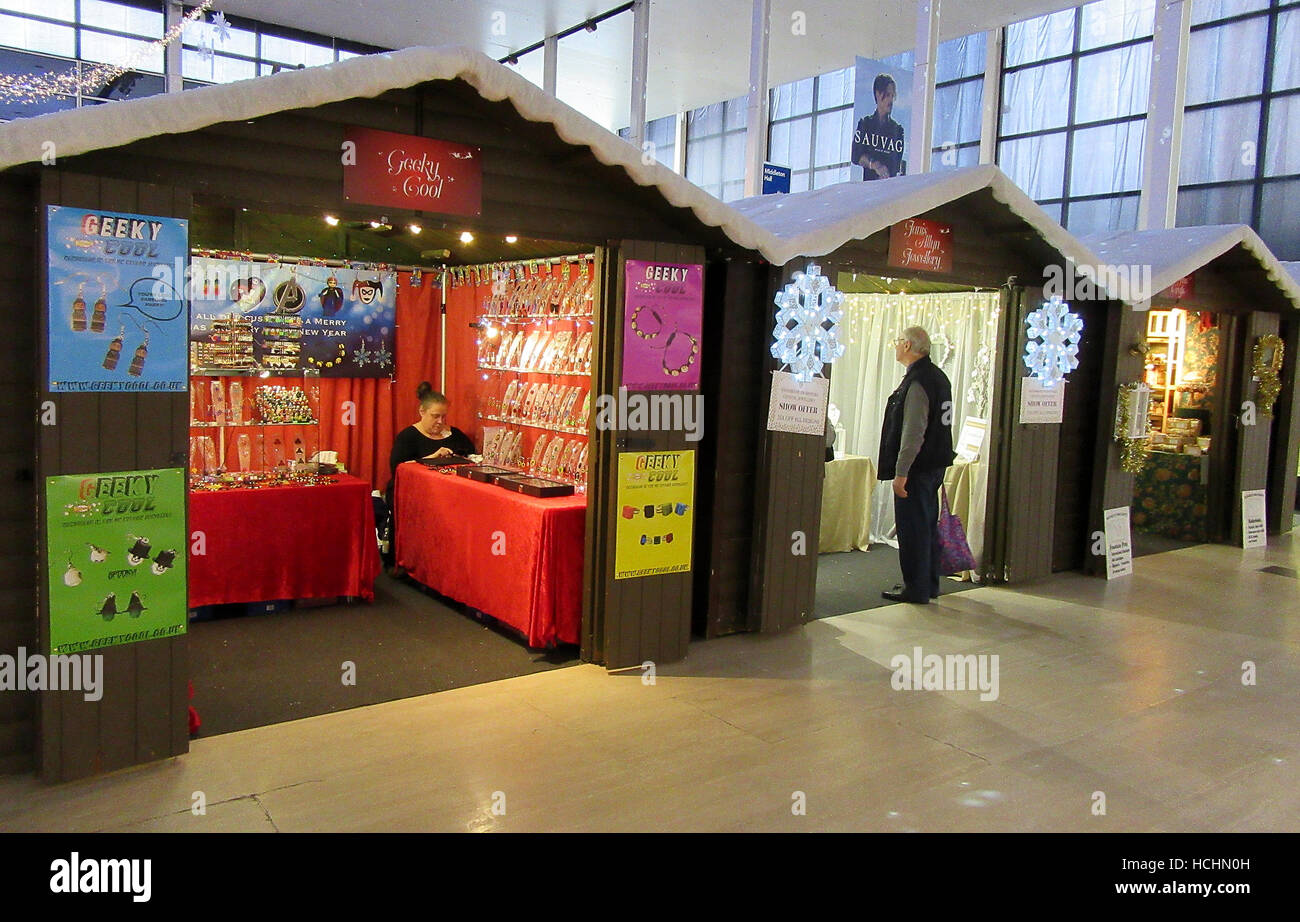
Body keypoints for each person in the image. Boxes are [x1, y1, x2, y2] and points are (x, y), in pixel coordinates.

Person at [877, 327, 955, 604]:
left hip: (917, 468)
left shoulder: (918, 381)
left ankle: (916, 587)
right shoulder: (938, 377)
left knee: (913, 529)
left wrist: (901, 473)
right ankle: (929, 584)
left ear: (908, 345)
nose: (896, 346)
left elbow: (913, 432)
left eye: (898, 342)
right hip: (934, 464)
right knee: (926, 525)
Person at [383, 383, 475, 571]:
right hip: (412, 494)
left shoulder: (455, 435)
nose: (440, 421)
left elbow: (473, 457)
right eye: (435, 416)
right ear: (422, 412)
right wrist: (430, 459)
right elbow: (398, 468)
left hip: (449, 494)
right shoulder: (408, 437)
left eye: (443, 416)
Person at [851, 73, 905, 181]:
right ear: (878, 94)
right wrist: (875, 165)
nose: (890, 100)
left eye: (892, 95)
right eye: (887, 94)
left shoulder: (898, 130)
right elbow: (855, 156)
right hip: (869, 189)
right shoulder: (865, 124)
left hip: (889, 190)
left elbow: (897, 164)